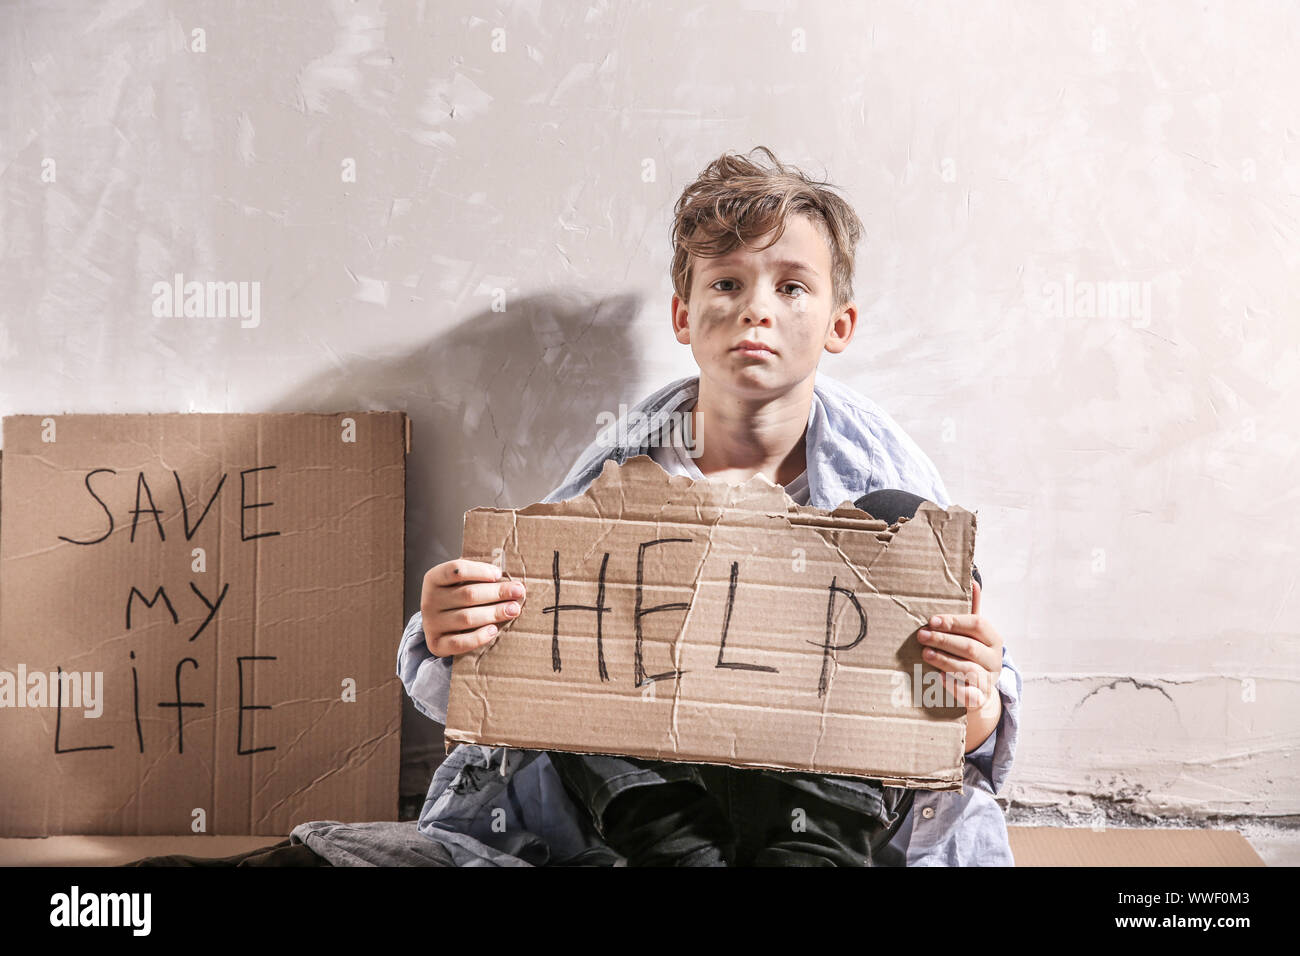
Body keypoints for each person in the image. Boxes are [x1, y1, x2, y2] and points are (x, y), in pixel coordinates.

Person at [412, 147, 1021, 865]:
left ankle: (810, 848)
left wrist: (971, 699)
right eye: (727, 283)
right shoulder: (624, 473)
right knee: (582, 590)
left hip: (822, 798)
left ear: (840, 325)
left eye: (792, 288)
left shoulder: (888, 486)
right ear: (684, 315)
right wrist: (449, 628)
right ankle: (682, 849)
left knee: (896, 516)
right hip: (656, 797)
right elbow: (510, 680)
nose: (757, 309)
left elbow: (967, 738)